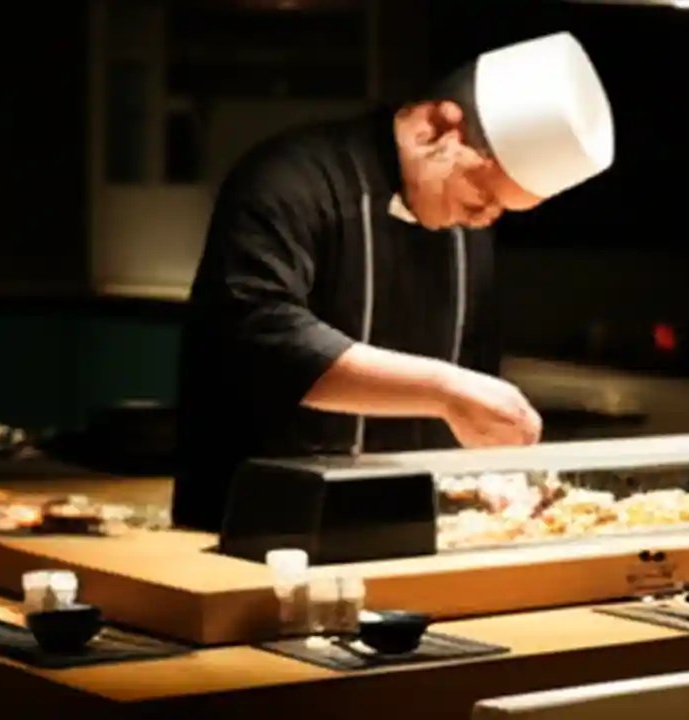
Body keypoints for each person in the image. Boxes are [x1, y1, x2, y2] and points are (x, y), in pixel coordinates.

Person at [173, 31, 616, 531]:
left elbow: (474, 363)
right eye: (482, 196)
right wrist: (446, 391)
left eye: (501, 209)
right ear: (436, 128)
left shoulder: (466, 228)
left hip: (404, 532)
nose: (483, 220)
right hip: (250, 530)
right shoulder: (290, 180)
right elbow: (261, 338)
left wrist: (488, 468)